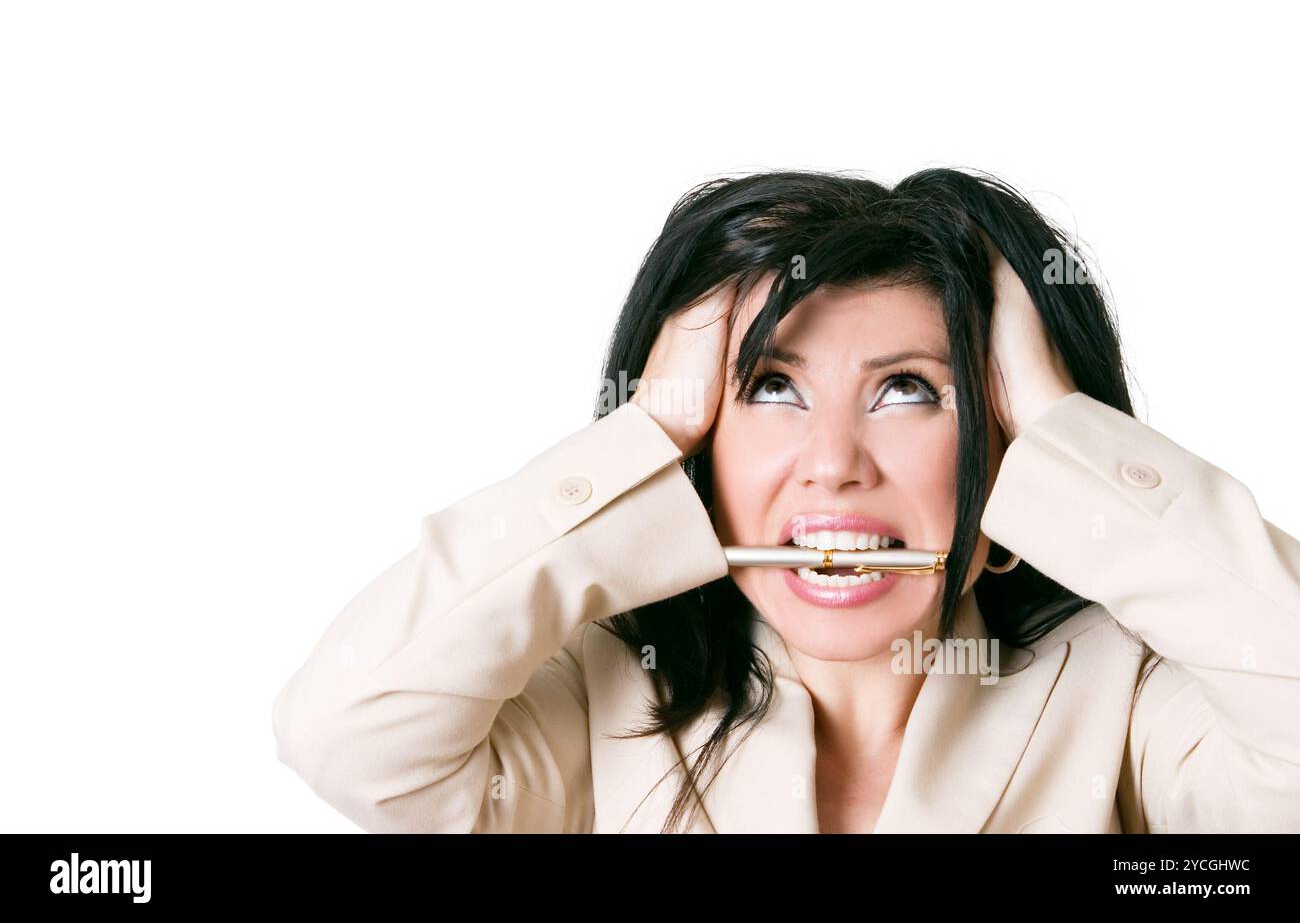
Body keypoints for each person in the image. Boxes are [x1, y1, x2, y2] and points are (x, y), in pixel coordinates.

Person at [271, 169, 1300, 833]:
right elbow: (343, 734)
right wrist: (647, 433)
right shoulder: (598, 702)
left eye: (909, 390)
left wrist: (1055, 423)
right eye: (769, 387)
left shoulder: (1127, 700)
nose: (832, 464)